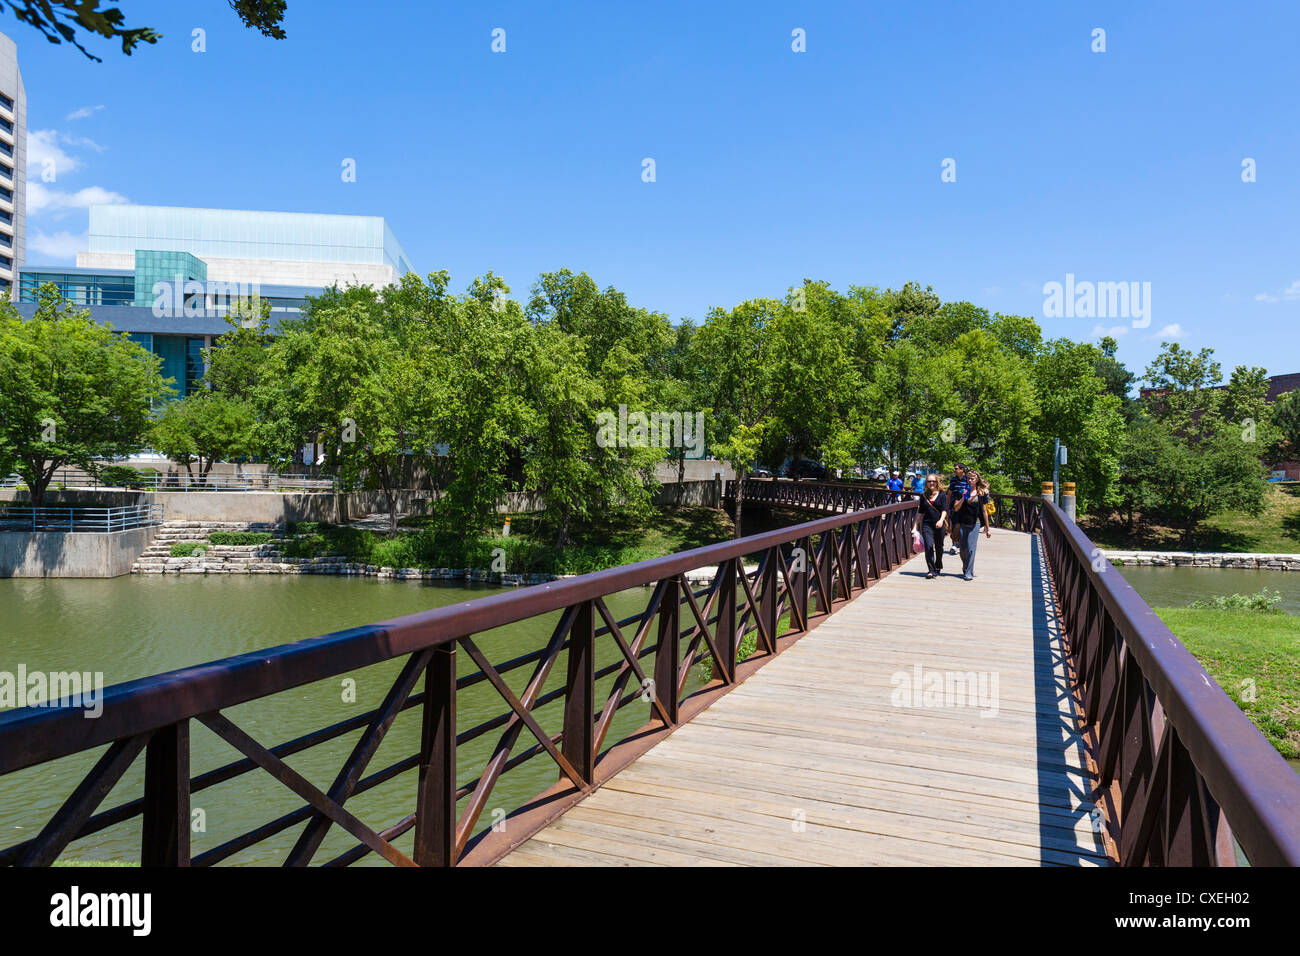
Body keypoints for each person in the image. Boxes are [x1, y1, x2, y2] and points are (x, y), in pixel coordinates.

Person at [952, 472, 992, 580]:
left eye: (972, 479)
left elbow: (984, 511)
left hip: (975, 523)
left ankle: (969, 573)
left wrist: (987, 528)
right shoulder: (961, 491)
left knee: (970, 548)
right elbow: (955, 508)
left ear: (977, 480)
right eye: (968, 479)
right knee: (963, 549)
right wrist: (963, 497)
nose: (970, 480)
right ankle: (966, 566)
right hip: (962, 522)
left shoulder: (981, 493)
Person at [912, 475, 948, 578]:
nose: (931, 483)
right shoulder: (923, 496)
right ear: (926, 483)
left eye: (933, 481)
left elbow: (944, 510)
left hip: (939, 524)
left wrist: (941, 520)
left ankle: (938, 564)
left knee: (939, 547)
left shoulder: (942, 495)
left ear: (936, 482)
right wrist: (915, 526)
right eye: (929, 481)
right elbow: (920, 513)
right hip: (927, 524)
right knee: (928, 546)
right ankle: (931, 570)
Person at [946, 464, 969, 554]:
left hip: (965, 504)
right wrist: (947, 506)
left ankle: (958, 544)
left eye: (956, 469)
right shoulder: (953, 479)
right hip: (954, 504)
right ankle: (955, 544)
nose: (954, 470)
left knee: (962, 524)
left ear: (962, 470)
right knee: (955, 523)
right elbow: (949, 493)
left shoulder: (968, 479)